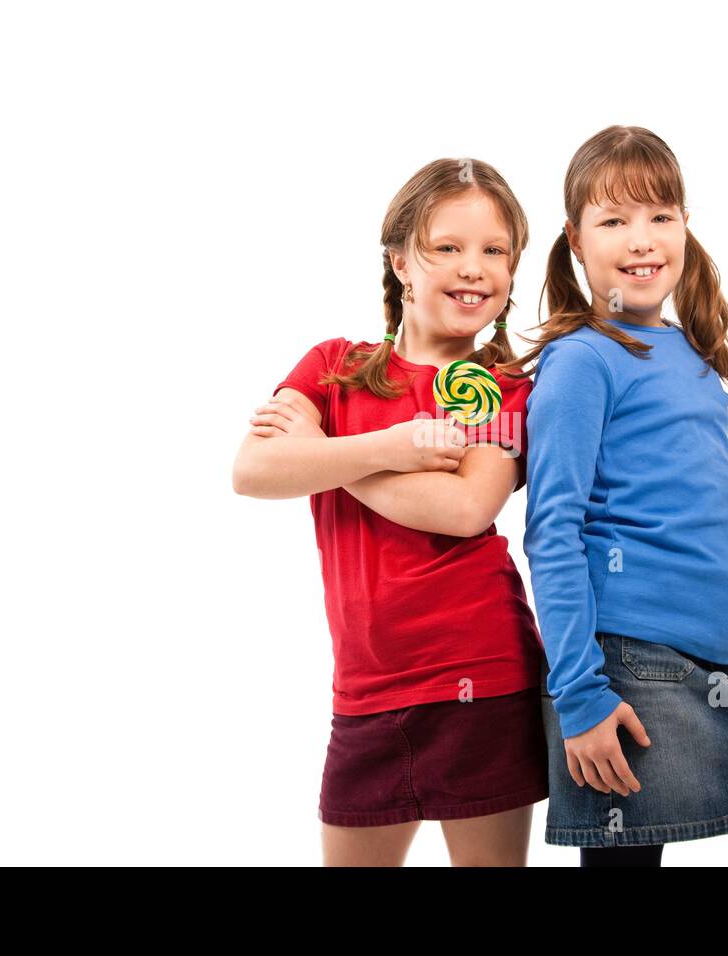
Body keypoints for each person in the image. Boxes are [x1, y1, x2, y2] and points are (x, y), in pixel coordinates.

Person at [502, 125, 728, 867]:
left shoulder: (690, 352)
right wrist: (581, 697)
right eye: (614, 219)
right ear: (575, 239)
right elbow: (553, 533)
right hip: (624, 666)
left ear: (686, 224)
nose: (642, 239)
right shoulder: (581, 362)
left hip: (716, 665)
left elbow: (677, 511)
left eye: (661, 215)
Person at [232, 158, 547, 866]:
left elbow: (466, 509)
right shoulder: (334, 364)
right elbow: (253, 471)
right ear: (401, 260)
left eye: (495, 251)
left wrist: (329, 453)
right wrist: (390, 447)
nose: (474, 268)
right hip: (366, 687)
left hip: (481, 675)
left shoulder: (498, 387)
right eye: (448, 247)